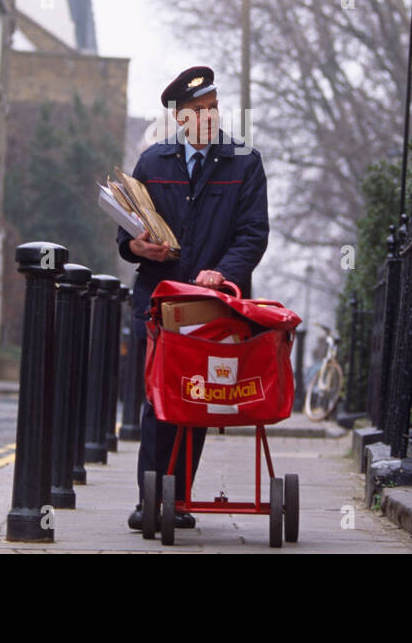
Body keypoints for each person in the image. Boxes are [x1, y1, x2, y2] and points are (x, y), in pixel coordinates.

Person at [116, 65, 269, 531]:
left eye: (214, 108)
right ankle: (150, 500)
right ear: (179, 118)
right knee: (157, 398)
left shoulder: (244, 162)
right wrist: (137, 246)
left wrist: (222, 273)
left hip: (209, 302)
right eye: (198, 111)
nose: (209, 117)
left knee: (196, 398)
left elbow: (253, 234)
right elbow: (126, 234)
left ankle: (177, 499)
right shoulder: (152, 163)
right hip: (158, 298)